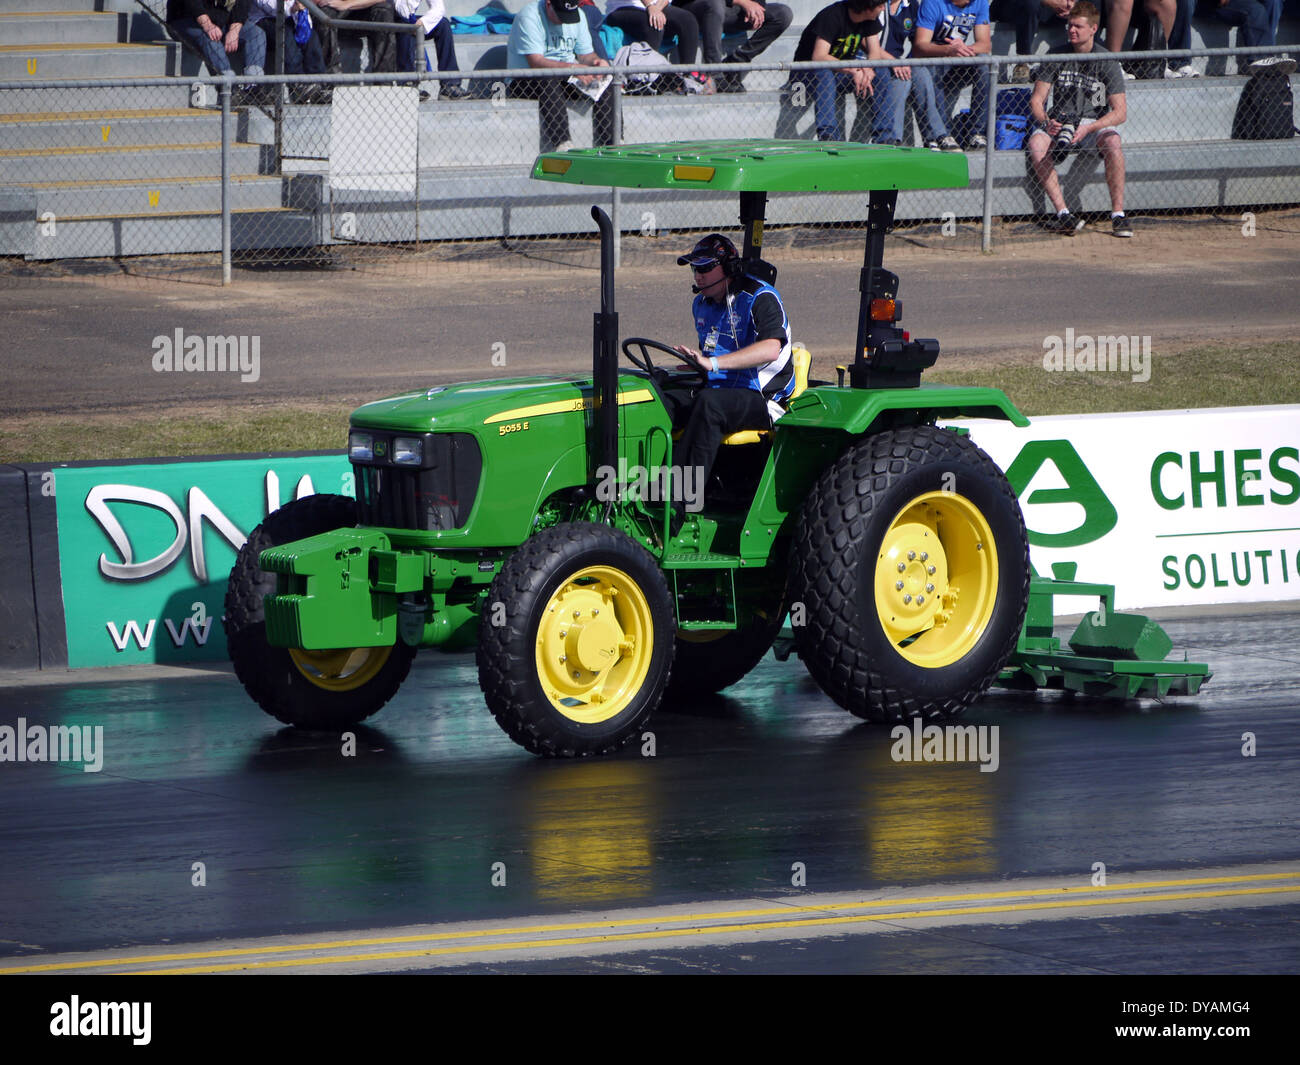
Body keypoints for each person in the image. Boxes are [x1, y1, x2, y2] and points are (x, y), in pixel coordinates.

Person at [662, 234, 794, 520]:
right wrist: (696, 365)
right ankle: (640, 485)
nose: (698, 276)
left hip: (762, 397)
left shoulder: (761, 297)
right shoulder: (702, 305)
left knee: (710, 404)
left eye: (705, 268)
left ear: (730, 268)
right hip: (719, 387)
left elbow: (772, 348)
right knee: (658, 394)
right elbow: (711, 354)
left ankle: (678, 504)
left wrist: (713, 364)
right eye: (695, 269)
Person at [1025, 1, 1131, 236]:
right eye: (1070, 26)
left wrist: (1089, 128)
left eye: (1078, 27)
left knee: (1113, 142)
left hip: (1092, 123)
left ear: (1093, 29)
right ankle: (1063, 214)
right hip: (1059, 121)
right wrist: (1046, 122)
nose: (1071, 30)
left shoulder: (1106, 60)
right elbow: (1036, 100)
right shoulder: (1056, 55)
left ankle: (1118, 215)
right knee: (1036, 144)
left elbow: (1120, 112)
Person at [508, 0, 615, 151]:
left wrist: (596, 62)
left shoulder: (579, 15)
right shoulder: (529, 16)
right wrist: (573, 69)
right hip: (525, 80)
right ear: (548, 4)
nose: (564, 20)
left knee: (605, 79)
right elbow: (536, 62)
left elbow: (585, 55)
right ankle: (562, 143)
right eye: (560, 15)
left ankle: (611, 144)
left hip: (566, 75)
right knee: (547, 77)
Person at [790, 0, 889, 142]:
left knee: (882, 73)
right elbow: (819, 56)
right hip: (806, 75)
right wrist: (854, 69)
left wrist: (867, 69)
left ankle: (884, 137)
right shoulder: (832, 16)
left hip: (840, 73)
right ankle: (827, 135)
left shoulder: (869, 19)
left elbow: (875, 53)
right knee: (824, 72)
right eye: (880, 6)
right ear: (867, 7)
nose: (883, 9)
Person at [873, 0, 963, 148]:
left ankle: (936, 137)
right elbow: (868, 45)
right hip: (874, 63)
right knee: (904, 80)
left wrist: (907, 63)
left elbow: (918, 45)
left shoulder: (911, 5)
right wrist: (895, 62)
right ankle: (891, 140)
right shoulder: (875, 3)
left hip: (896, 63)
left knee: (919, 71)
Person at [911, 0, 992, 148]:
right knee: (936, 66)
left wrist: (963, 49)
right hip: (933, 62)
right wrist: (948, 50)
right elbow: (920, 46)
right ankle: (944, 134)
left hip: (958, 60)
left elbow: (985, 45)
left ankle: (977, 133)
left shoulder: (980, 2)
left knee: (985, 62)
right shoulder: (932, 3)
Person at [670, 0, 794, 91]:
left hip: (732, 10)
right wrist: (743, 2)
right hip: (697, 8)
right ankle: (715, 73)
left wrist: (756, 7)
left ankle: (736, 61)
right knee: (715, 4)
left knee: (783, 13)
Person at [167, 0, 266, 79]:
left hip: (219, 21)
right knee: (211, 38)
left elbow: (242, 4)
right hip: (185, 20)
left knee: (255, 34)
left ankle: (253, 85)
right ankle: (227, 88)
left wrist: (234, 31)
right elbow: (192, 4)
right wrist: (208, 25)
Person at [394, 0, 468, 97]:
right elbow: (400, 6)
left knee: (443, 24)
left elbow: (439, 8)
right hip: (388, 18)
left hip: (409, 19)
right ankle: (407, 85)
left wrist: (422, 23)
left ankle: (450, 85)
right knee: (406, 25)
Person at [604, 0, 704, 67]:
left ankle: (687, 77)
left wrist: (656, 8)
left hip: (656, 6)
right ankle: (649, 78)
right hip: (621, 8)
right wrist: (649, 5)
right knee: (653, 25)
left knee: (688, 20)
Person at [316, 0, 399, 74]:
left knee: (384, 10)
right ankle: (329, 76)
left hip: (361, 11)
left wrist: (346, 4)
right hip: (335, 14)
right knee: (325, 13)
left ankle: (383, 77)